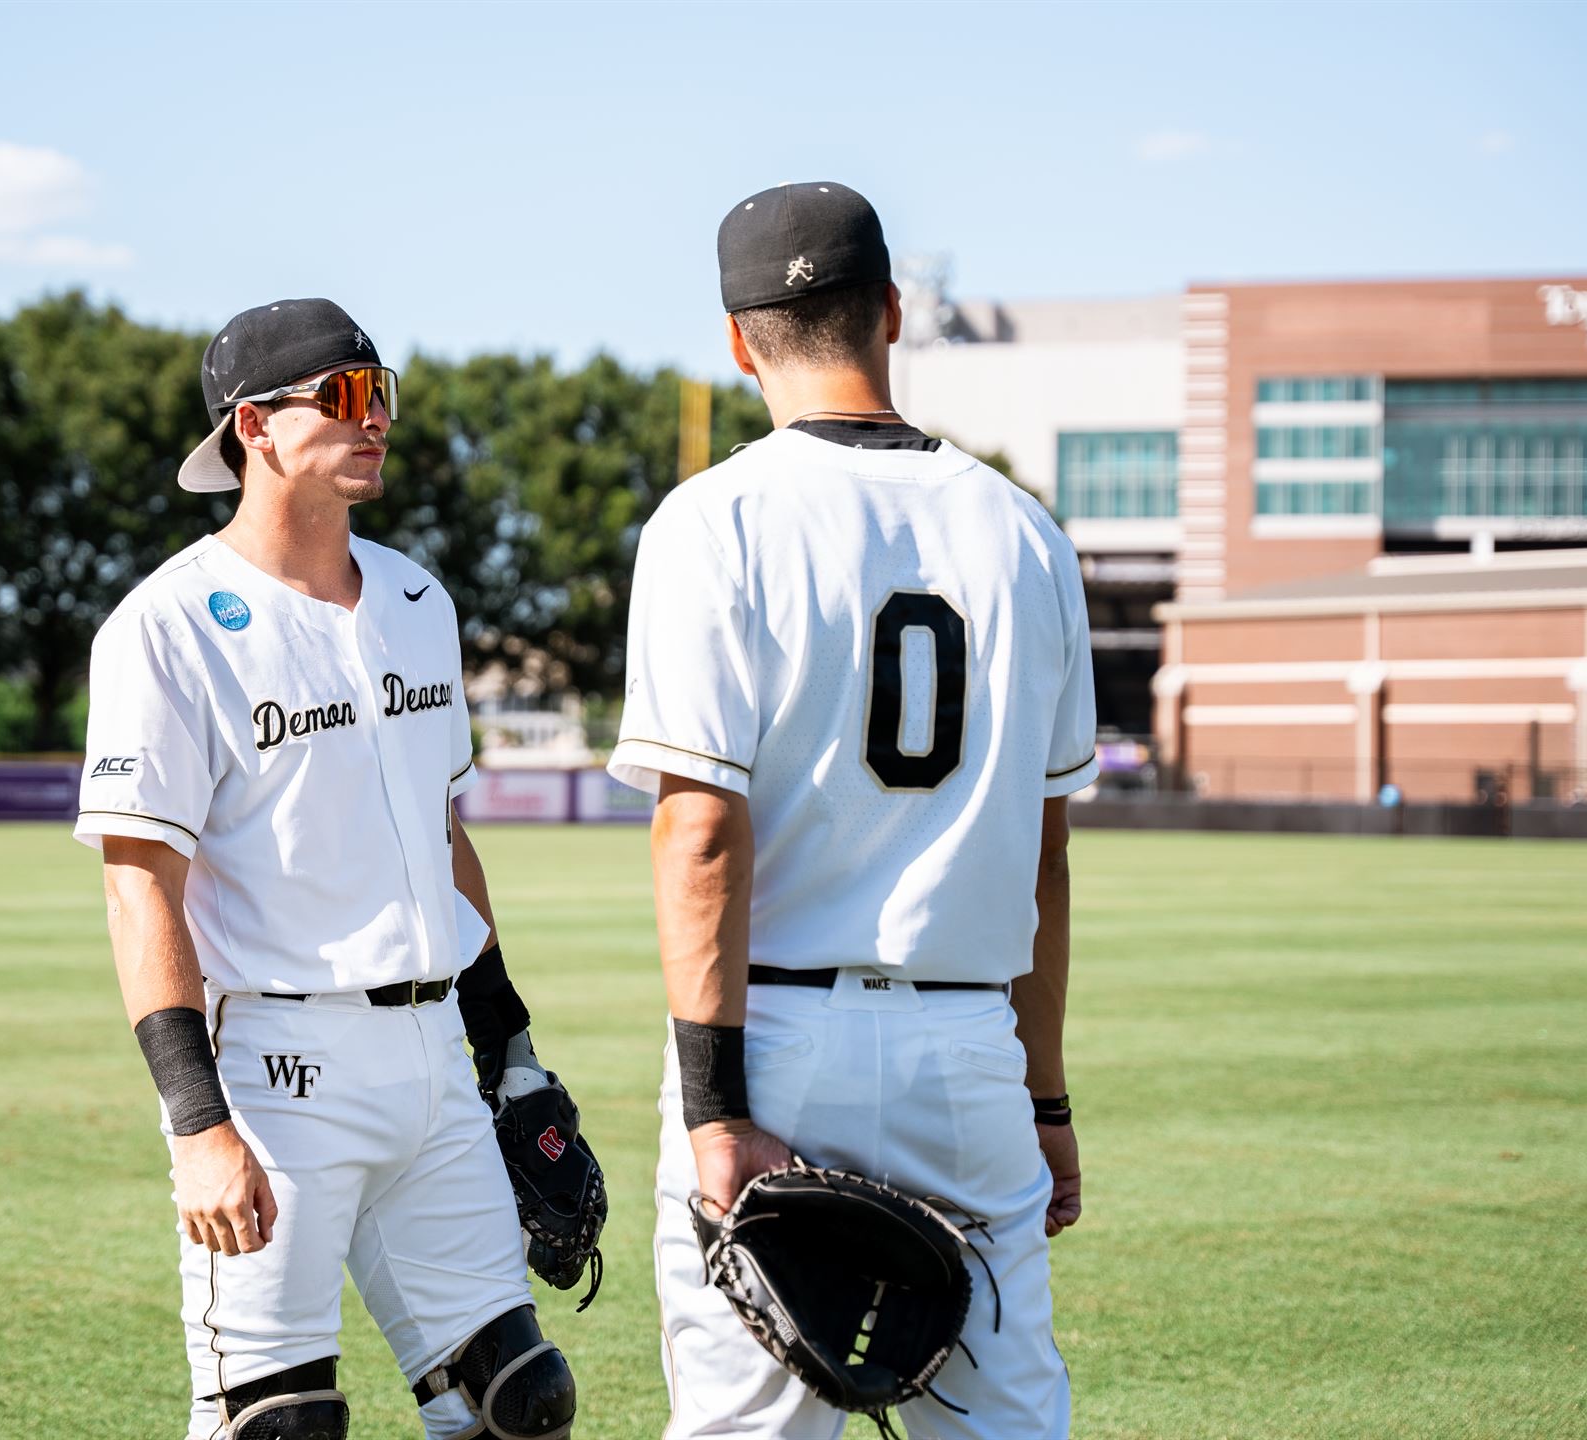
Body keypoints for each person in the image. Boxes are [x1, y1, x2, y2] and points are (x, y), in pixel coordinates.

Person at [608, 182, 1096, 1439]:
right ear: (891, 312)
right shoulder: (1027, 534)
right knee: (1004, 1423)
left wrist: (715, 1108)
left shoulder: (713, 520)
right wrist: (1044, 1100)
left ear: (738, 341)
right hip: (968, 1047)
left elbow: (700, 832)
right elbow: (1044, 861)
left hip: (776, 1042)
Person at [76, 298, 579, 1440]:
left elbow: (444, 838)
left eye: (382, 392)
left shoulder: (418, 600)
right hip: (274, 1079)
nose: (376, 419)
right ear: (253, 426)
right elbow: (137, 887)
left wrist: (511, 1049)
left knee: (519, 1401)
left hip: (433, 1064)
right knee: (280, 1423)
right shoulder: (165, 627)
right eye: (345, 397)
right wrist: (197, 1123)